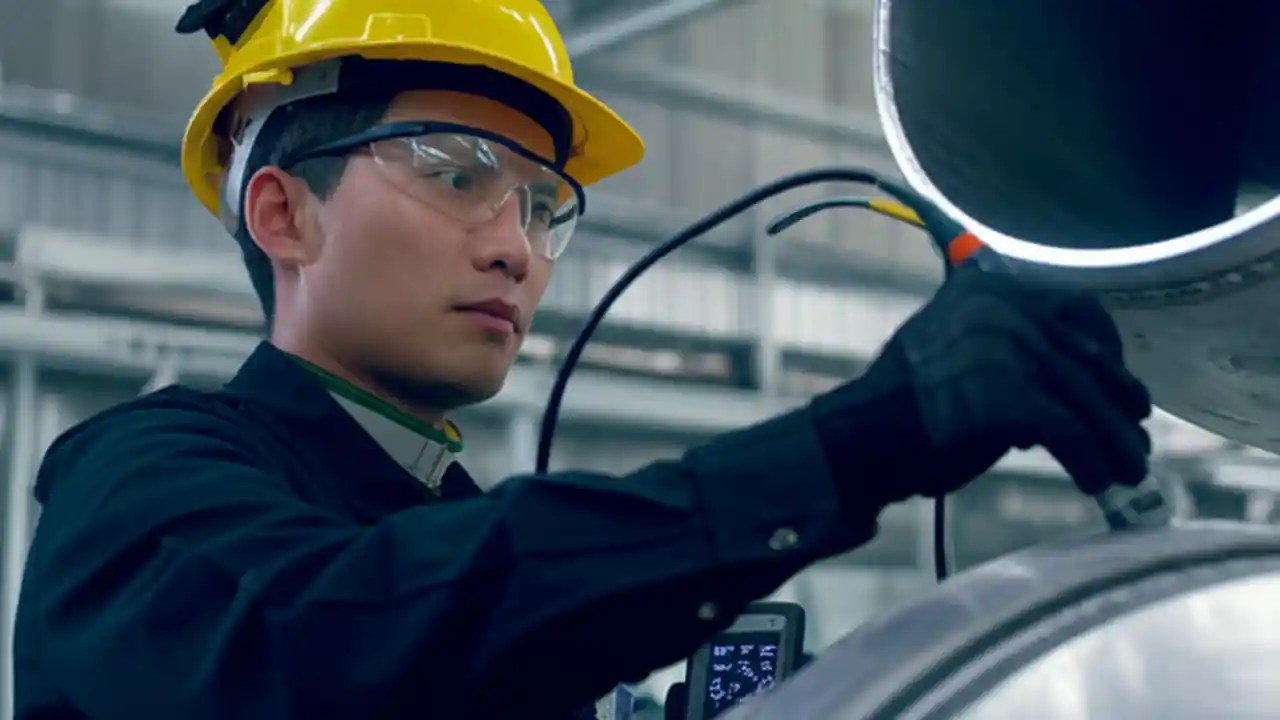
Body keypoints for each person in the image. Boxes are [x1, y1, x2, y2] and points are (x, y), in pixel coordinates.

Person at [11, 0, 1154, 718]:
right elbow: (337, 643)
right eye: (453, 170)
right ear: (281, 213)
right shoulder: (135, 483)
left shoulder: (444, 516)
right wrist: (862, 440)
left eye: (543, 204)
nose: (514, 246)